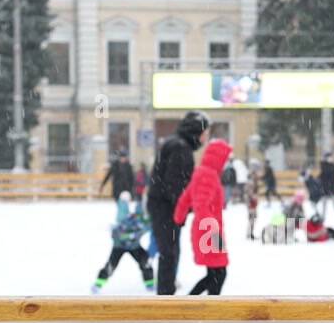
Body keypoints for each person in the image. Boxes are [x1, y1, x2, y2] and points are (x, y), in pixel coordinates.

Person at [148, 111, 211, 295]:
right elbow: (175, 185)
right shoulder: (180, 148)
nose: (206, 138)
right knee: (169, 254)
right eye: (205, 133)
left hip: (163, 207)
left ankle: (166, 295)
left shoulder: (176, 144)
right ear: (196, 131)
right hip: (166, 209)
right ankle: (166, 300)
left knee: (169, 253)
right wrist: (184, 209)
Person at [173, 139, 233, 296]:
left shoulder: (203, 173)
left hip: (207, 230)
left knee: (215, 274)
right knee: (218, 274)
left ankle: (197, 305)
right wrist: (213, 234)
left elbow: (185, 199)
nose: (226, 163)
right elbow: (201, 207)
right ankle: (205, 308)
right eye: (225, 159)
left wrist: (179, 218)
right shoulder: (208, 176)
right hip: (209, 232)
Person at [92, 192, 155, 294]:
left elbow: (149, 223)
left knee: (145, 262)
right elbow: (122, 216)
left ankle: (150, 285)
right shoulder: (126, 216)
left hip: (134, 245)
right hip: (119, 245)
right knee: (111, 265)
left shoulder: (146, 220)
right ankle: (98, 285)